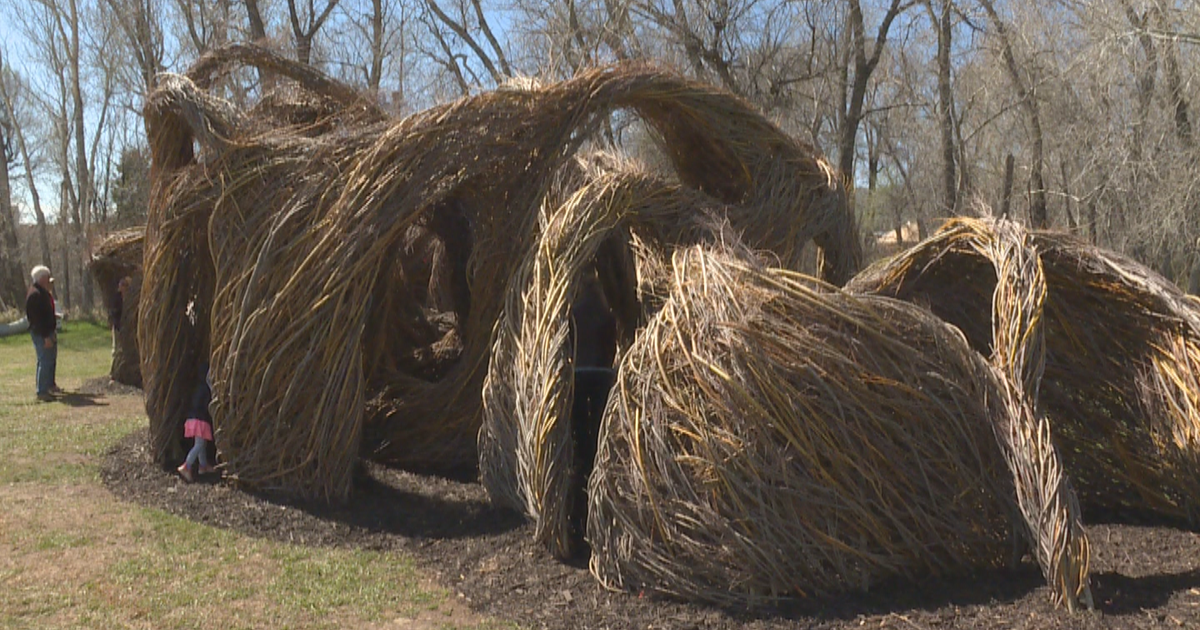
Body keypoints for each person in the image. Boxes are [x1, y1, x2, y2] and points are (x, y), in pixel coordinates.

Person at [177, 363, 217, 482]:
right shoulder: (205, 389)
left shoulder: (198, 387)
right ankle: (186, 466)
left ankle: (203, 466)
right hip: (199, 419)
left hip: (194, 419)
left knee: (201, 443)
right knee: (199, 444)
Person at [25, 265, 58, 402]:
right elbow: (37, 319)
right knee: (44, 360)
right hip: (41, 333)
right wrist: (45, 336)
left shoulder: (42, 292)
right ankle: (42, 391)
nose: (48, 280)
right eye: (46, 277)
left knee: (49, 360)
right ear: (41, 278)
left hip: (47, 331)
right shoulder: (35, 295)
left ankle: (48, 385)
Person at [109, 276, 131, 355]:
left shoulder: (130, 297)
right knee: (117, 343)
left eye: (123, 285)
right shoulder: (117, 297)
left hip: (126, 323)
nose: (121, 287)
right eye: (121, 285)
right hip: (118, 323)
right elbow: (114, 309)